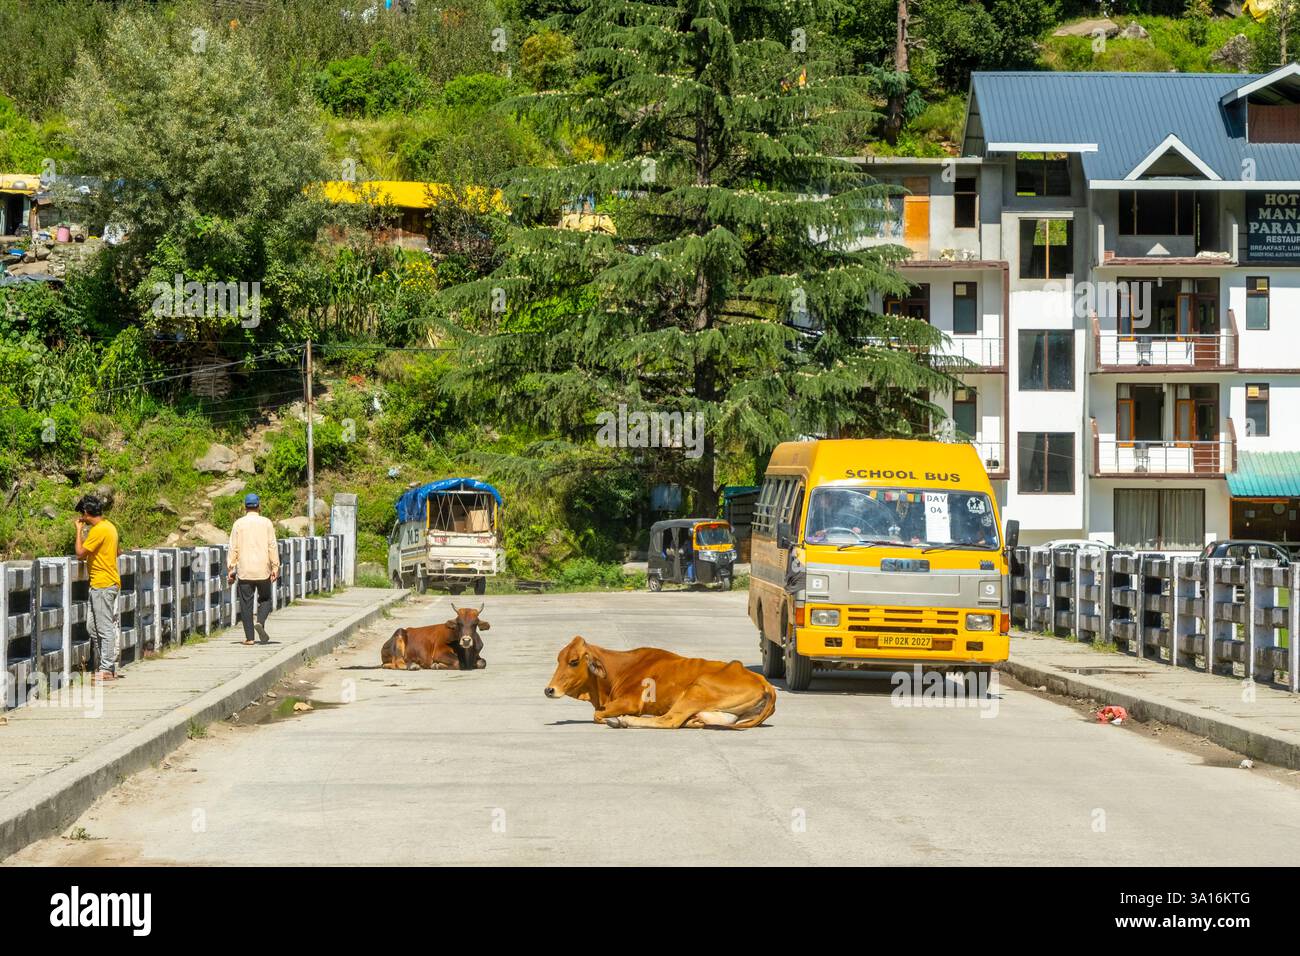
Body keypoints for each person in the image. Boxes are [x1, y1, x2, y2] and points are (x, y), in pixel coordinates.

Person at [74, 494, 121, 682]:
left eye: (82, 515)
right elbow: (118, 551)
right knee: (92, 626)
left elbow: (80, 554)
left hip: (103, 584)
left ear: (86, 513)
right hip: (103, 583)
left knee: (104, 628)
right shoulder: (110, 527)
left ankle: (107, 668)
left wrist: (79, 531)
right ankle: (106, 665)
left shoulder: (98, 530)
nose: (81, 518)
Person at [227, 493, 280, 646]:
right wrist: (275, 566)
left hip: (244, 570)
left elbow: (233, 548)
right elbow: (272, 546)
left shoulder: (238, 524)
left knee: (246, 604)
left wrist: (231, 569)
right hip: (263, 569)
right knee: (266, 600)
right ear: (259, 506)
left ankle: (249, 638)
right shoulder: (267, 523)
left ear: (245, 507)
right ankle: (261, 622)